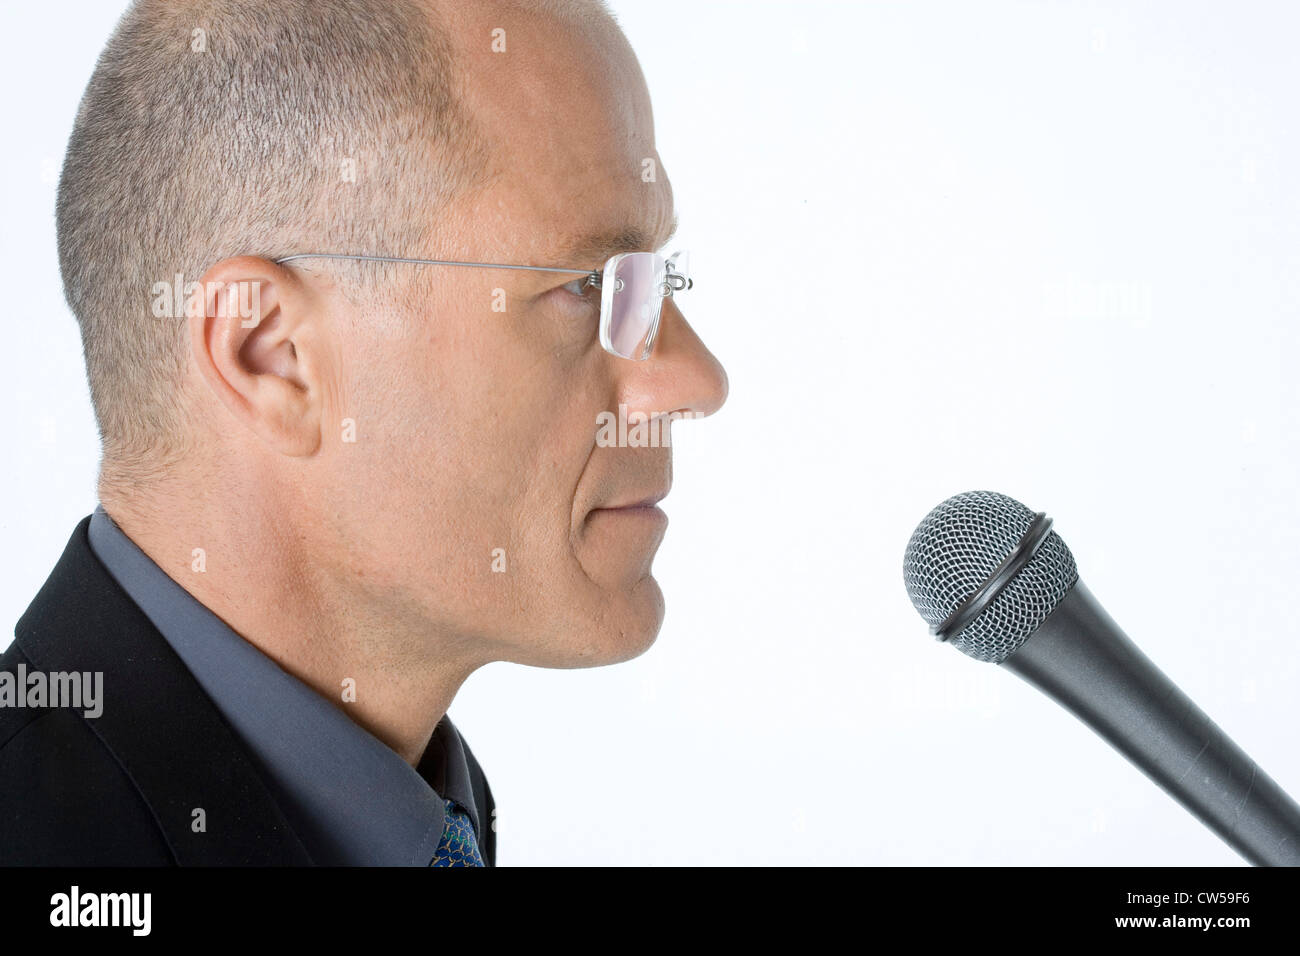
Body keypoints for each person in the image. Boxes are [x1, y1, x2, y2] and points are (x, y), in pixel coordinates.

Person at [0, 0, 726, 866]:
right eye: (585, 283)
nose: (696, 381)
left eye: (651, 279)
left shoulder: (408, 812)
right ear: (271, 357)